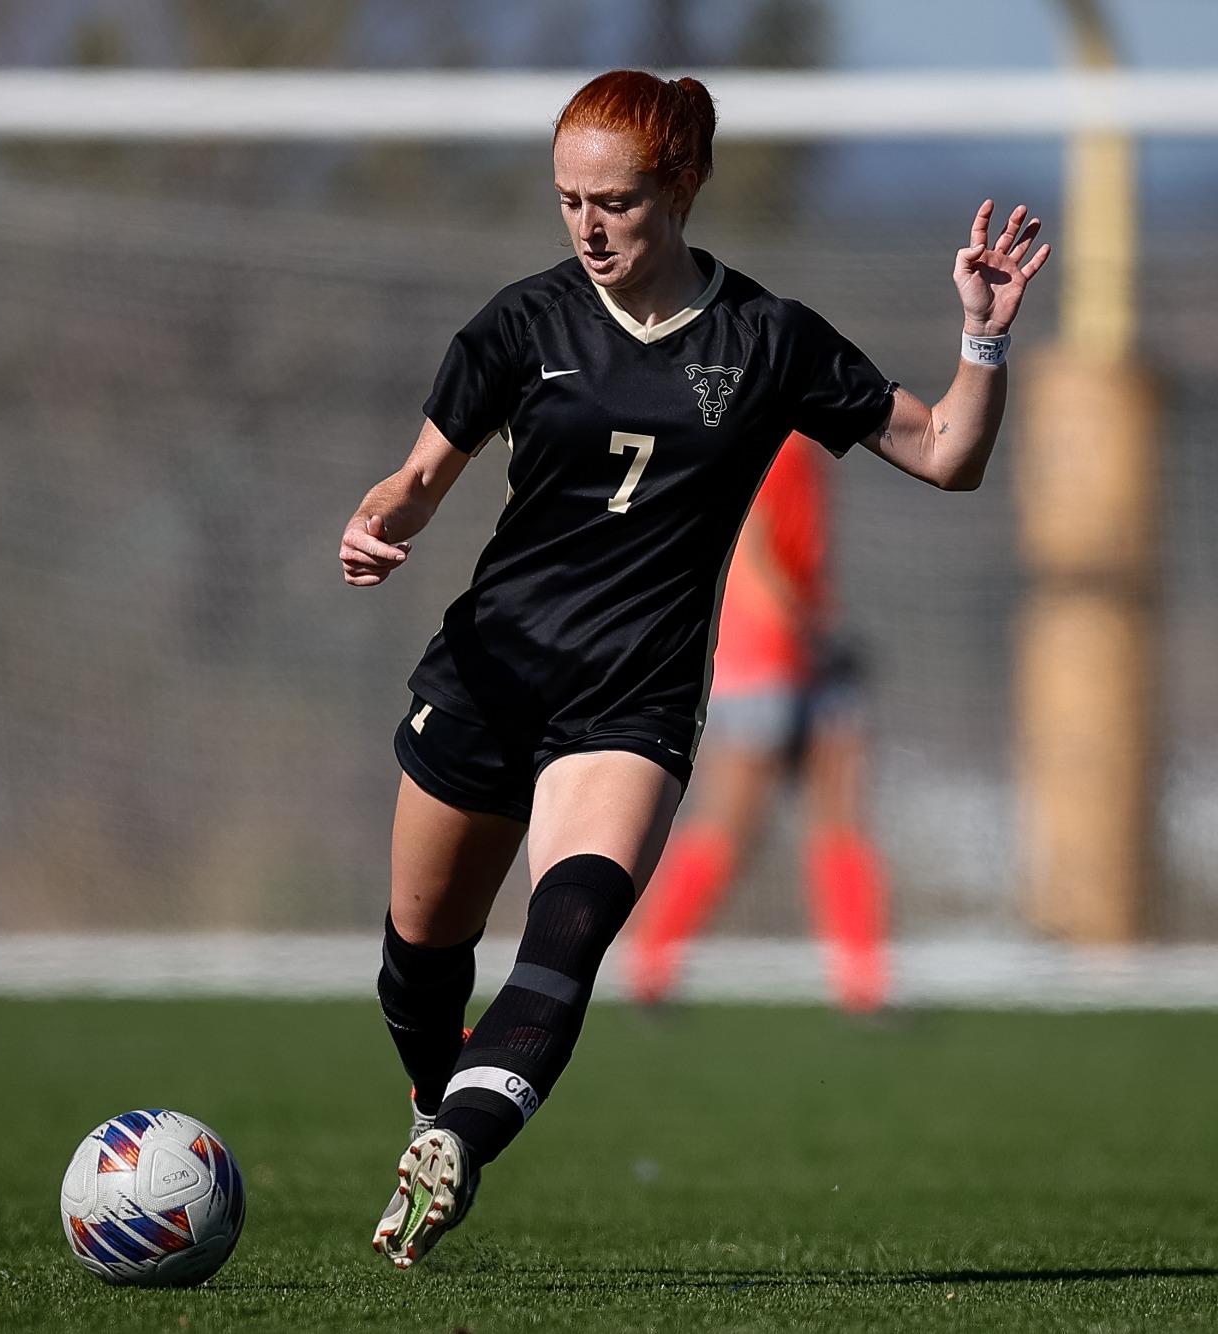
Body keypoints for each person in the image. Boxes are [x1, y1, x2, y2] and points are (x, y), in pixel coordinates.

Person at [337, 69, 1048, 1269]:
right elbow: (414, 476)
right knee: (418, 963)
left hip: (633, 697)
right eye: (566, 200)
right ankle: (432, 1099)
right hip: (484, 676)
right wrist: (381, 520)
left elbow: (945, 456)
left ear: (680, 188)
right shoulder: (521, 322)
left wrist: (982, 335)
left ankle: (456, 1137)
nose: (586, 226)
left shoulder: (766, 339)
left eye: (610, 200)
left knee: (571, 923)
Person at [628, 431, 893, 1013]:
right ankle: (649, 965)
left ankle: (864, 982)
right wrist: (809, 632)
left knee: (841, 812)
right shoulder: (773, 439)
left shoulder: (809, 443)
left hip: (807, 657)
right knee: (731, 824)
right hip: (763, 658)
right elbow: (753, 549)